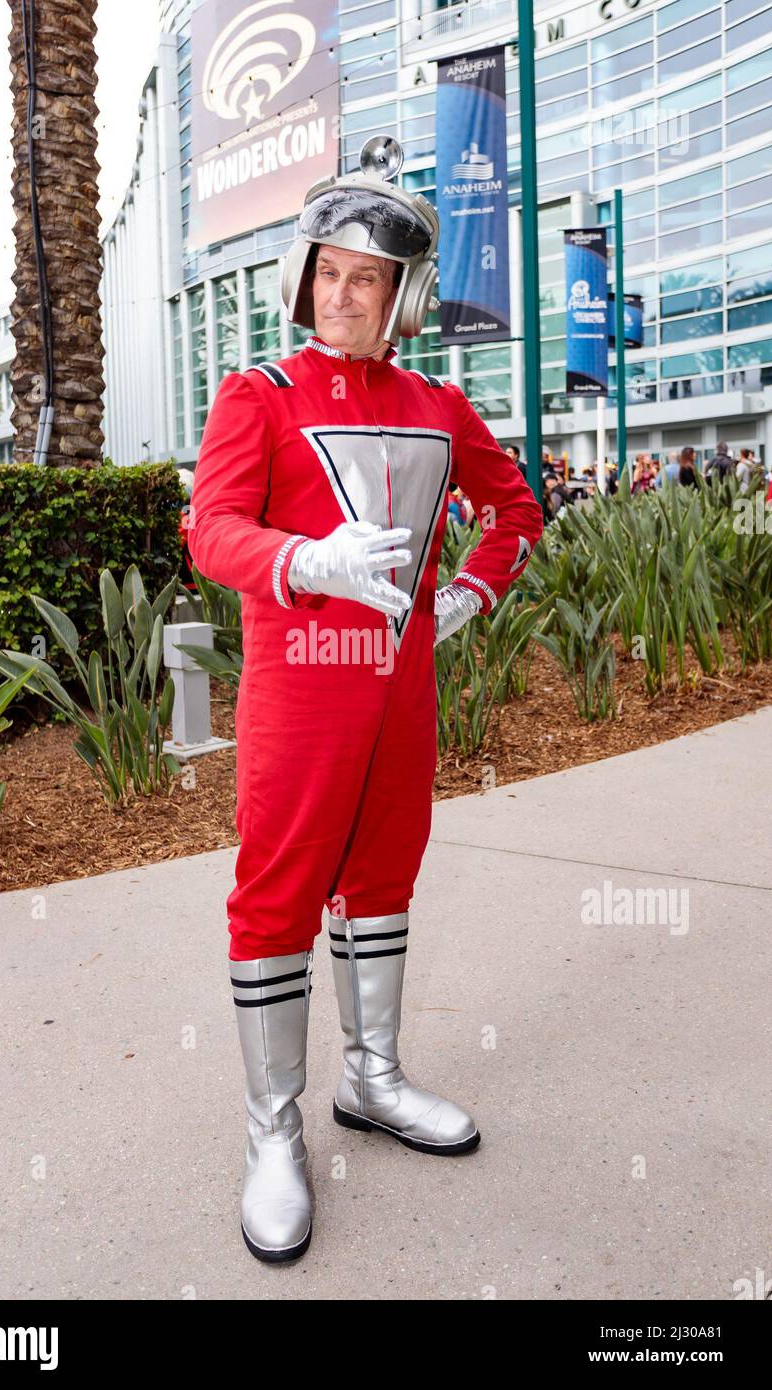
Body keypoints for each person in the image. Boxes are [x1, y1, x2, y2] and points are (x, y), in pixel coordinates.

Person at [187, 139, 544, 1264]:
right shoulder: (259, 393)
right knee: (279, 888)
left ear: (401, 296)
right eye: (329, 271)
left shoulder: (439, 403)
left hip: (402, 687)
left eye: (368, 278)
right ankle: (272, 1132)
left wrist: (471, 593)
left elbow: (516, 509)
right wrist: (306, 562)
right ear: (304, 276)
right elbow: (211, 531)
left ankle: (373, 1078)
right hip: (299, 683)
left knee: (384, 874)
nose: (343, 294)